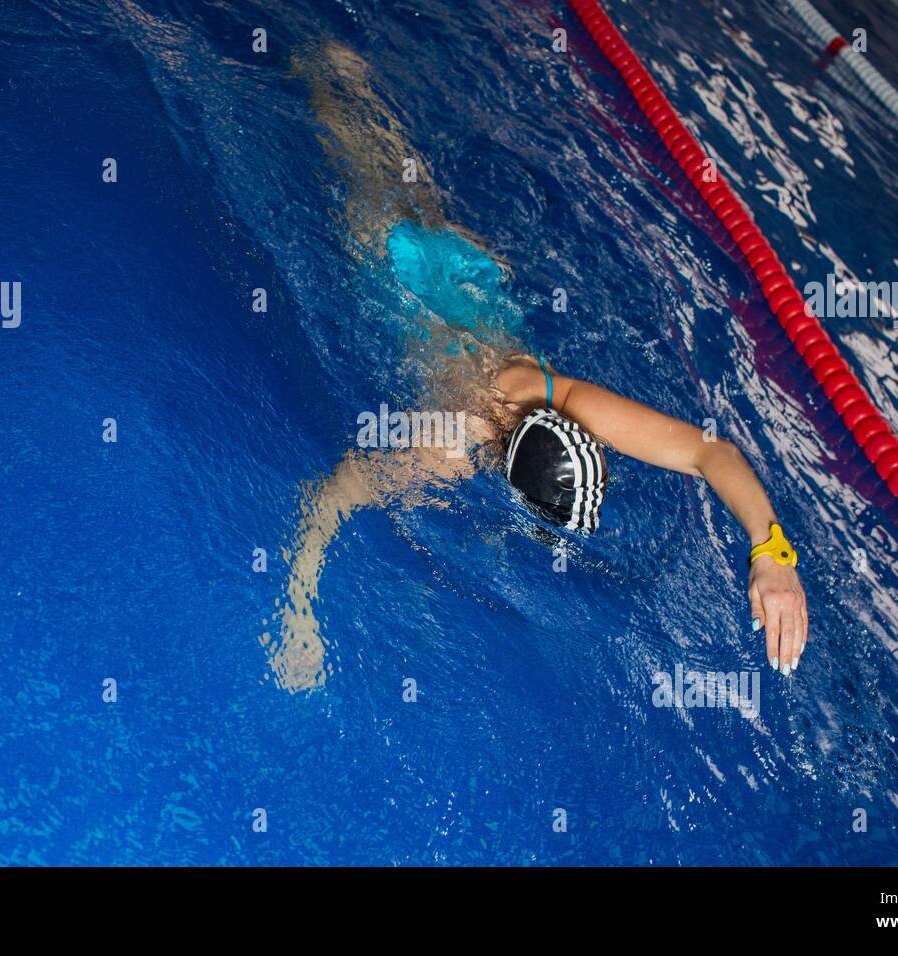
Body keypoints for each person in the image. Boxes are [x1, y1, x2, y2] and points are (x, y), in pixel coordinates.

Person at [263, 41, 808, 692]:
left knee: (394, 176)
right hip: (399, 268)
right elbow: (326, 499)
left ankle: (349, 81)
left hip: (466, 275)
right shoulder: (450, 447)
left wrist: (772, 556)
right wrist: (299, 618)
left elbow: (709, 453)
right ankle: (318, 81)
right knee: (355, 165)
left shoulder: (564, 397)